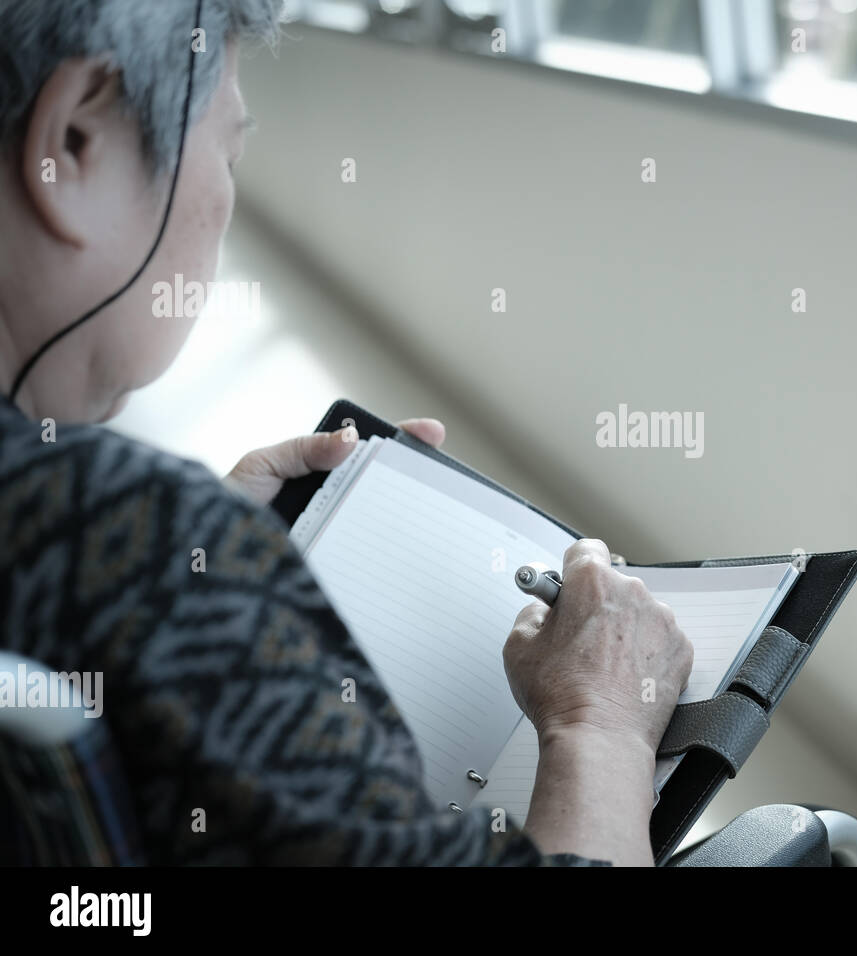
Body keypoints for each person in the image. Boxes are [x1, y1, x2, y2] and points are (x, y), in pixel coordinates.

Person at [0, 0, 693, 866]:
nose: (225, 199)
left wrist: (191, 584)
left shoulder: (106, 549)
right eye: (228, 148)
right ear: (72, 141)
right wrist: (604, 725)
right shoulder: (131, 546)